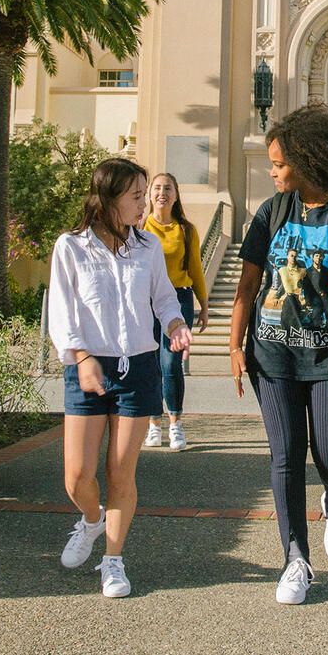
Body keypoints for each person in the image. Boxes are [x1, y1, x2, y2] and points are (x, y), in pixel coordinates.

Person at [229, 106, 328, 605]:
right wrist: (234, 345)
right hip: (272, 358)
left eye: (279, 163)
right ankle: (296, 558)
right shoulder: (272, 211)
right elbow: (249, 281)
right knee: (286, 456)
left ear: (309, 161)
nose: (272, 171)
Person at [48, 158, 192, 597]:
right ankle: (91, 520)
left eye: (145, 193)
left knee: (120, 474)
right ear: (108, 198)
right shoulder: (71, 246)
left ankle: (113, 560)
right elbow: (62, 311)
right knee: (77, 476)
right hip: (88, 367)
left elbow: (165, 298)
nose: (144, 202)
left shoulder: (147, 246)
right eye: (135, 195)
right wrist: (81, 356)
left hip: (139, 367)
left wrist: (174, 324)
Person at [142, 172, 210, 451]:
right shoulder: (139, 228)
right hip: (146, 302)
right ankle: (153, 425)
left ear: (176, 194)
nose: (162, 193)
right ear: (149, 195)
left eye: (167, 188)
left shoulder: (186, 229)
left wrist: (203, 305)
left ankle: (175, 423)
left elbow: (195, 267)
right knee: (150, 365)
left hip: (179, 300)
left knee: (170, 365)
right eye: (157, 188)